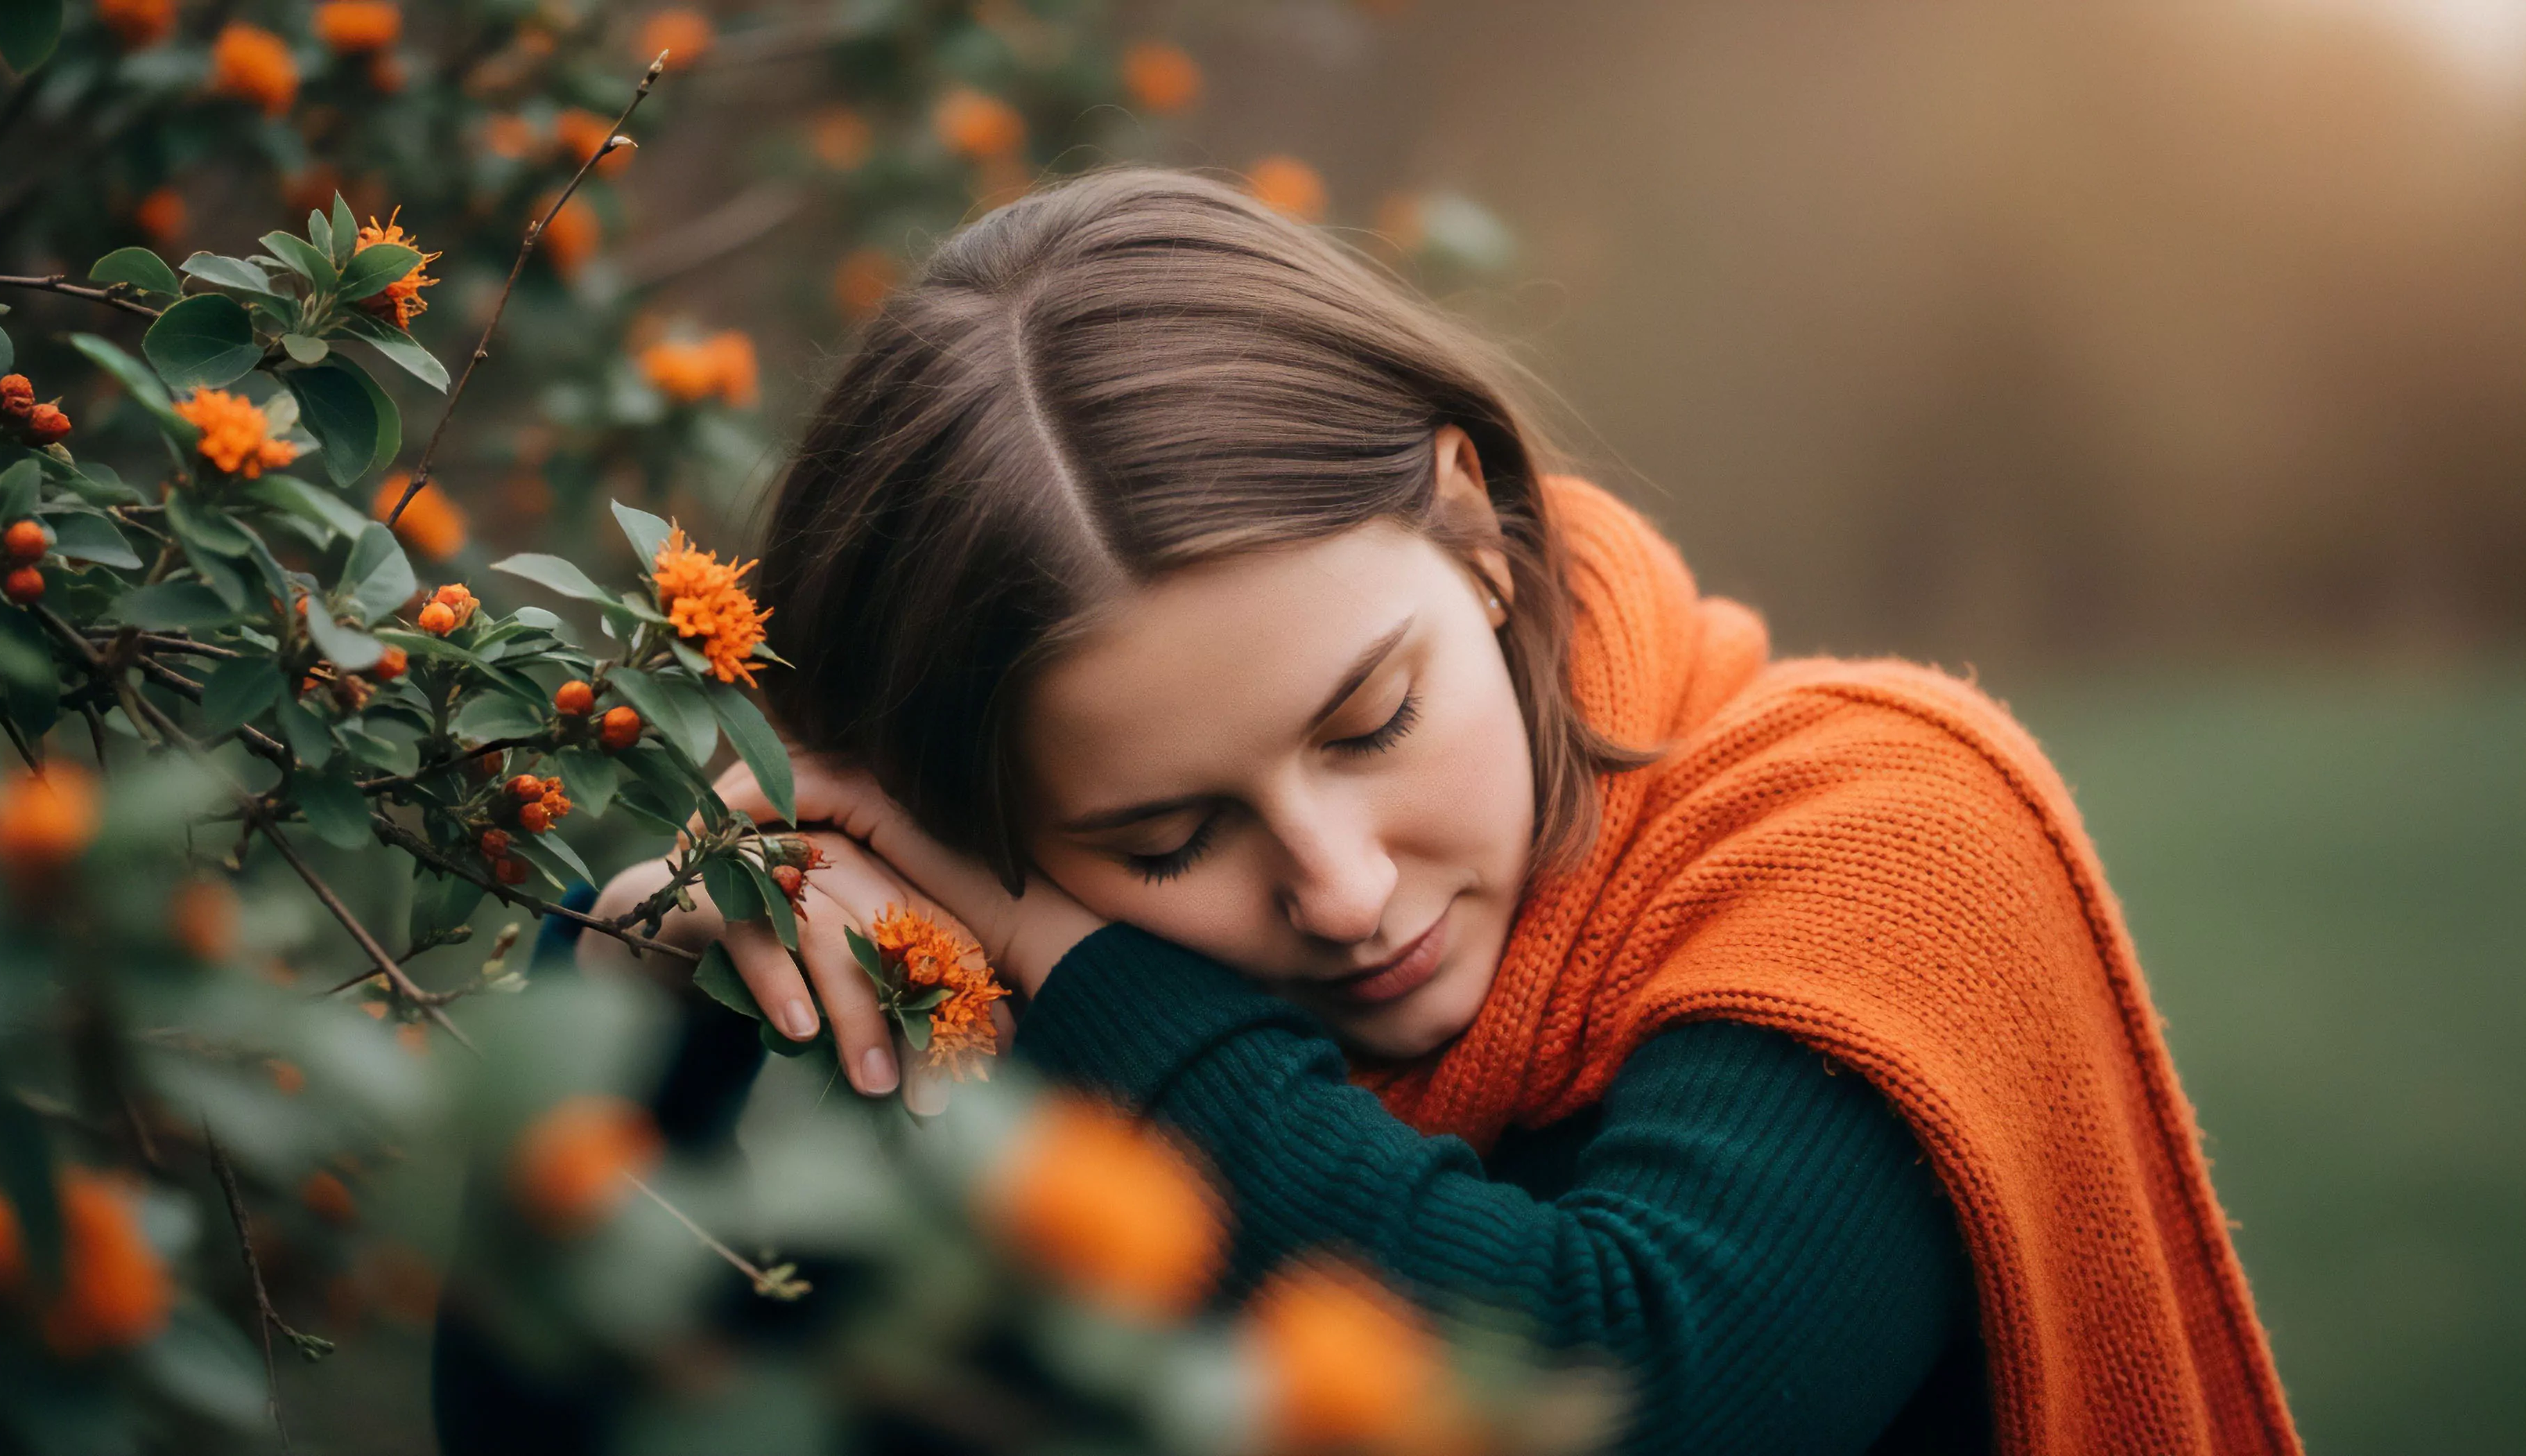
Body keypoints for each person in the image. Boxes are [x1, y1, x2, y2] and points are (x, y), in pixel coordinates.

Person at [513, 169, 2298, 1455]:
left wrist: (1087, 967)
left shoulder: (1878, 827)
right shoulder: (956, 1028)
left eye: (1370, 721)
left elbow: (1628, 1387)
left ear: (1475, 534)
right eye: (1163, 840)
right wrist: (645, 1034)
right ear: (958, 822)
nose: (1344, 890)